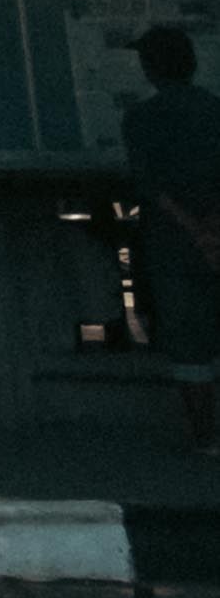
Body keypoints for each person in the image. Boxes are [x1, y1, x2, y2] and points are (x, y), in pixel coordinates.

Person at [132, 28, 220, 455]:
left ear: (150, 69)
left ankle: (207, 436)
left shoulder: (142, 118)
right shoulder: (214, 109)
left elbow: (149, 185)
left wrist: (193, 229)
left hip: (173, 243)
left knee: (189, 344)